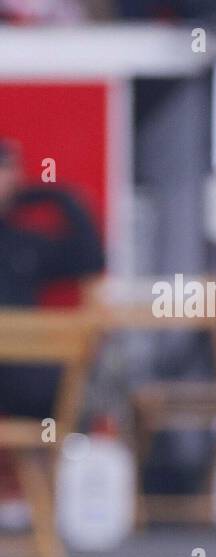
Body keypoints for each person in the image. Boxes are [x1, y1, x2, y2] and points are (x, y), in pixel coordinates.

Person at [0, 138, 104, 420]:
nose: (8, 178)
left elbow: (90, 259)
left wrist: (57, 196)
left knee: (86, 380)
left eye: (10, 170)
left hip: (20, 377)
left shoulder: (22, 244)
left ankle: (62, 459)